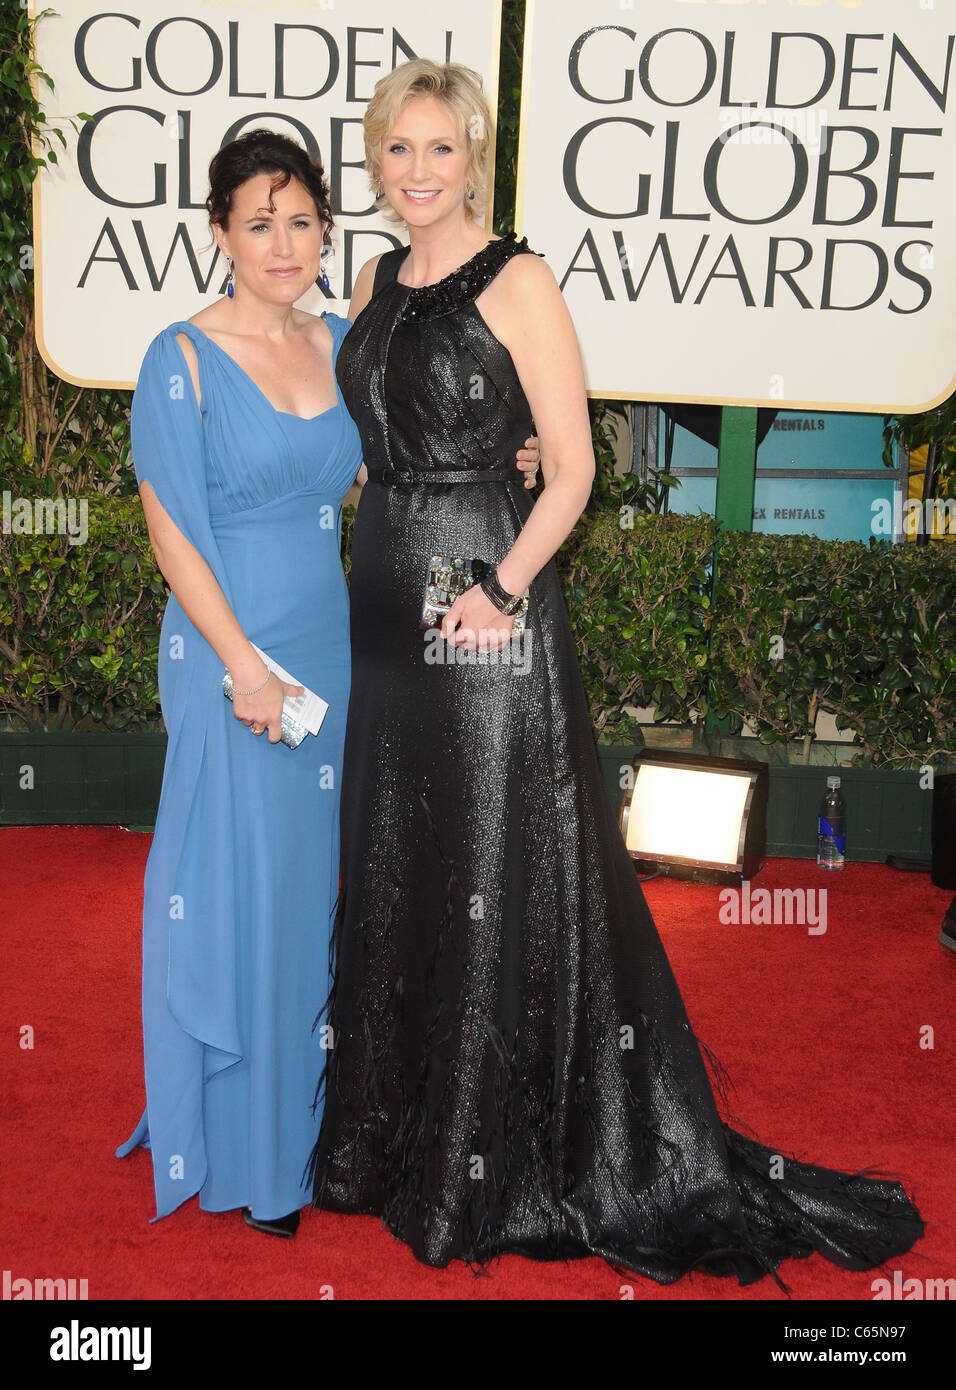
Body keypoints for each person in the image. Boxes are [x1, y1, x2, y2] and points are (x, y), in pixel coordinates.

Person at [308, 59, 924, 1287]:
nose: (413, 172)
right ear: (373, 164)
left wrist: (496, 590)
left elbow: (574, 468)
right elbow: (372, 444)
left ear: (471, 155)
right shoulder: (373, 280)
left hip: (479, 609)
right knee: (397, 854)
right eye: (393, 152)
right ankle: (385, 1142)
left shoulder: (519, 281)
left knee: (484, 855)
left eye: (436, 150)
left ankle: (483, 1157)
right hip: (380, 610)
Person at [115, 128, 539, 1237]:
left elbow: (400, 450)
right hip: (226, 650)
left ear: (324, 232)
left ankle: (300, 1124)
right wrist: (242, 670)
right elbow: (171, 535)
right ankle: (237, 1142)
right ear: (219, 233)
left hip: (332, 642)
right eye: (258, 222)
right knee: (236, 883)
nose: (283, 242)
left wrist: (511, 452)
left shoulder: (341, 340)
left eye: (302, 221)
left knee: (313, 894)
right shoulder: (181, 356)